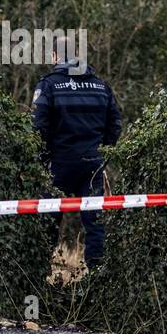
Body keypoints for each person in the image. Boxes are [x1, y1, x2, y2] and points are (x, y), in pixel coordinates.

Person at [32, 43, 123, 271]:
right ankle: (98, 278)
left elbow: (38, 126)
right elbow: (115, 125)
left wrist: (43, 158)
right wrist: (102, 153)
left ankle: (38, 276)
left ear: (55, 56)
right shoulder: (101, 86)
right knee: (95, 223)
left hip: (58, 164)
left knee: (47, 222)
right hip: (92, 164)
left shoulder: (49, 85)